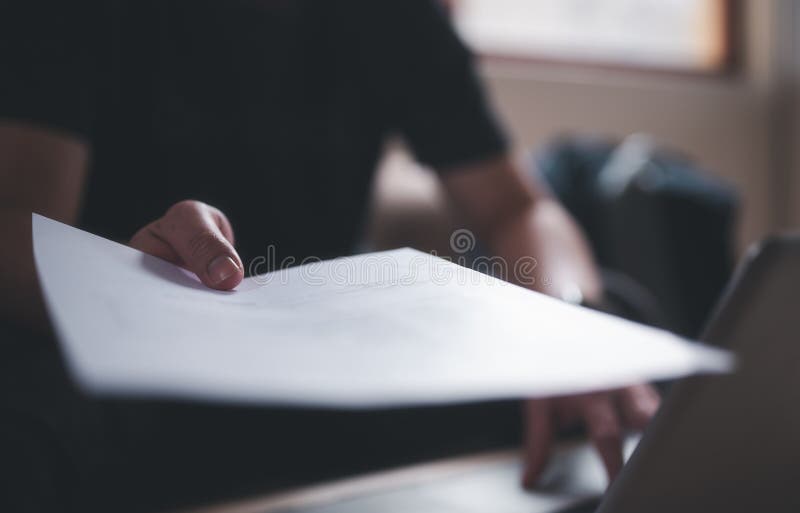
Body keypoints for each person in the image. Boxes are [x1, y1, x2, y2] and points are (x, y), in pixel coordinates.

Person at [0, 0, 660, 511]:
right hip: (133, 371)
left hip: (334, 366)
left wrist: (570, 330)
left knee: (620, 328)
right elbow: (20, 227)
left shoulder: (391, 14)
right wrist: (128, 279)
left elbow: (519, 209)